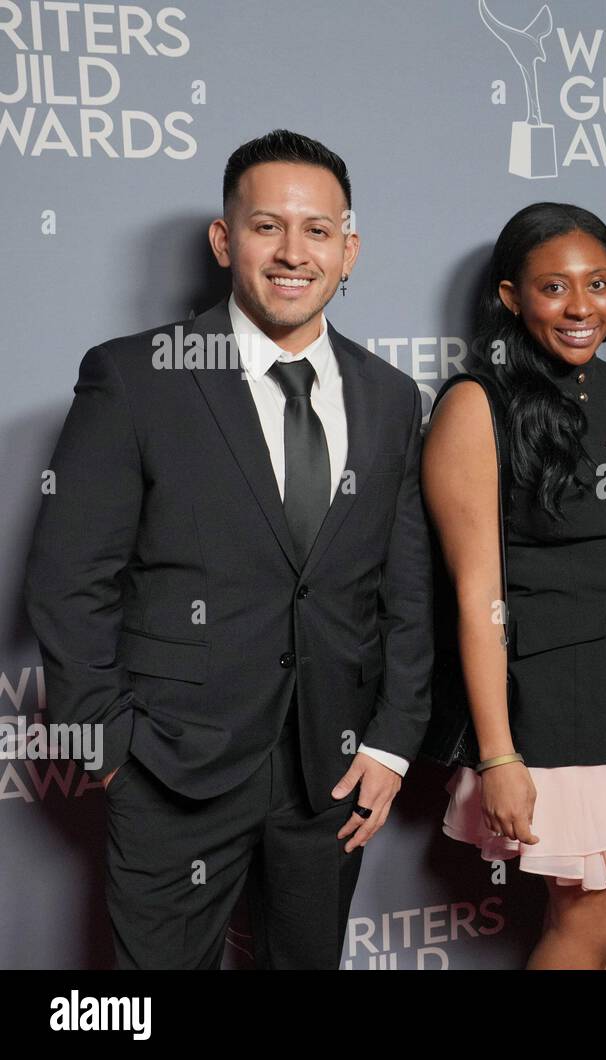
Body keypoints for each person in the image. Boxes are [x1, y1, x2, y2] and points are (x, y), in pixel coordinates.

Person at [24, 130, 433, 969]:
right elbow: (71, 581)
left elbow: (407, 585)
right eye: (266, 227)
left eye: (318, 231)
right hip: (173, 768)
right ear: (224, 240)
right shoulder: (134, 377)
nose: (293, 253)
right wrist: (107, 746)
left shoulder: (391, 398)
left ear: (348, 250)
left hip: (335, 769)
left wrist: (393, 739)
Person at [423, 202, 606, 971]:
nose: (583, 307)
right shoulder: (475, 406)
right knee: (600, 911)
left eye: (600, 284)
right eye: (554, 288)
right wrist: (497, 757)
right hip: (553, 706)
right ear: (512, 297)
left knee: (596, 918)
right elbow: (476, 596)